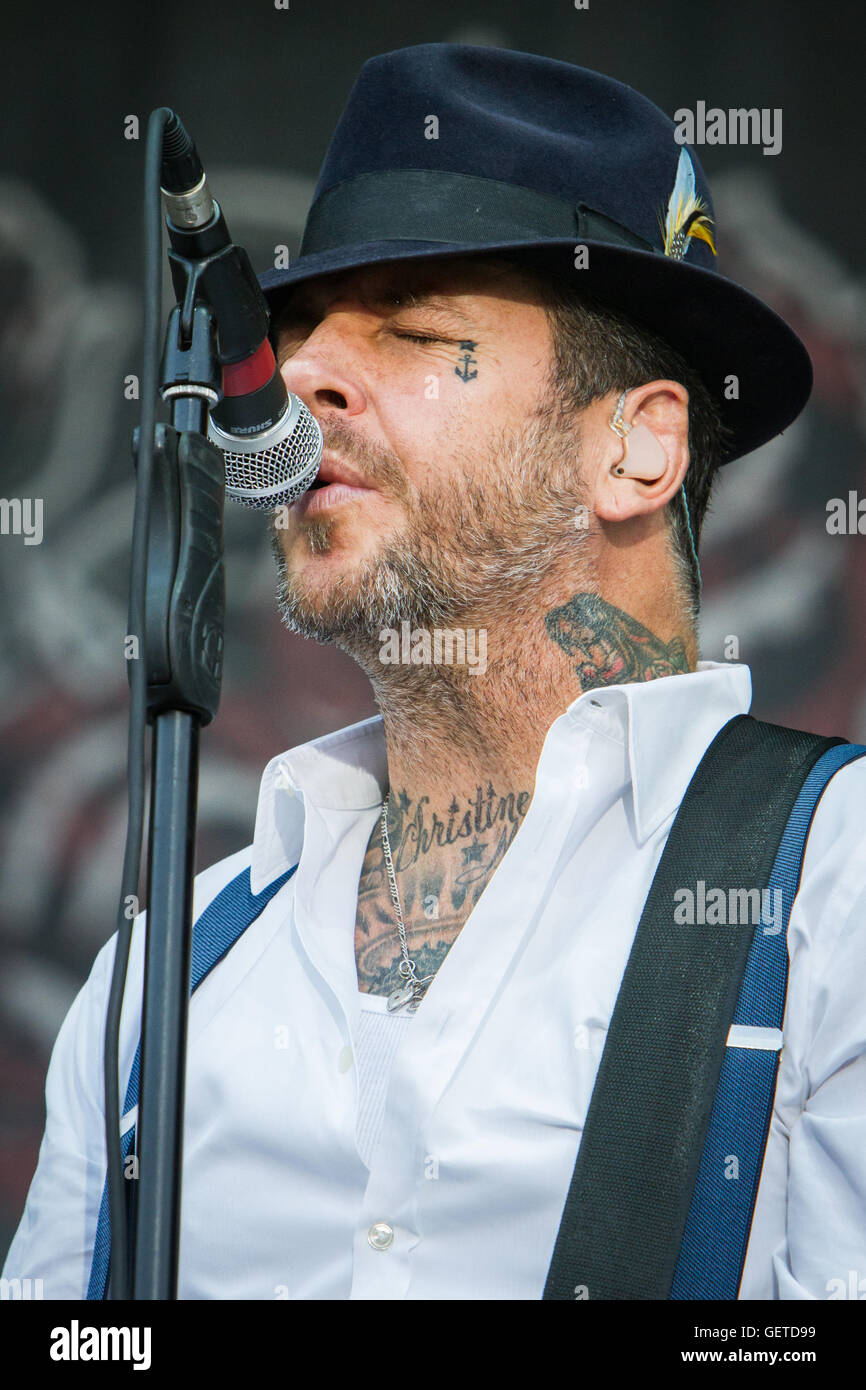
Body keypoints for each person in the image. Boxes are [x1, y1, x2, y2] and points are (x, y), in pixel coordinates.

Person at [4, 43, 865, 1302]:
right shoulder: (175, 964)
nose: (297, 380)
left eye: (412, 329)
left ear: (635, 446)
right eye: (296, 335)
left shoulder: (831, 892)